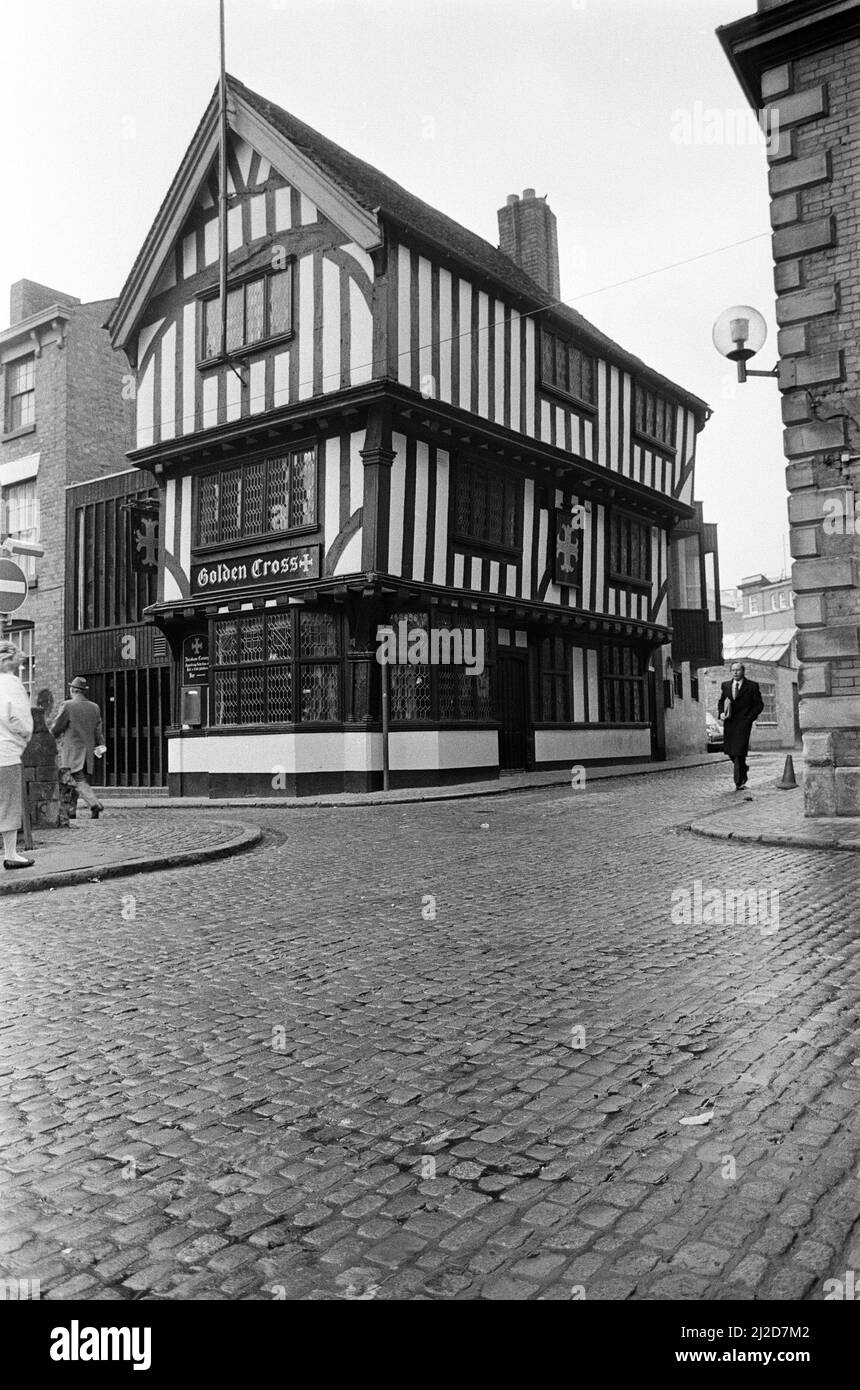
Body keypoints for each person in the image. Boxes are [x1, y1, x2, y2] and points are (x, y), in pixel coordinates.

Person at [0, 638, 35, 869]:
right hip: (5, 752)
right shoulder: (10, 683)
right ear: (8, 660)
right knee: (9, 803)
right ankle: (11, 854)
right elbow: (13, 715)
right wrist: (25, 734)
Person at [50, 676, 106, 820]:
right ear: (84, 691)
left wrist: (51, 736)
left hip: (72, 751)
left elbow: (57, 727)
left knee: (76, 779)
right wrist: (101, 745)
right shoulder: (95, 707)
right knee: (74, 780)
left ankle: (94, 804)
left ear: (72, 690)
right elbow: (98, 731)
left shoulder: (67, 705)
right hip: (88, 752)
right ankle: (71, 811)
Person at [718, 661, 764, 792]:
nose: (735, 672)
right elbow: (721, 701)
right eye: (733, 670)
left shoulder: (752, 686)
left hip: (743, 723)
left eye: (738, 670)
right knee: (730, 752)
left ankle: (739, 781)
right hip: (730, 723)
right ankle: (743, 768)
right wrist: (721, 713)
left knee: (739, 752)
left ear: (743, 671)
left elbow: (759, 705)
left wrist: (749, 718)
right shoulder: (726, 685)